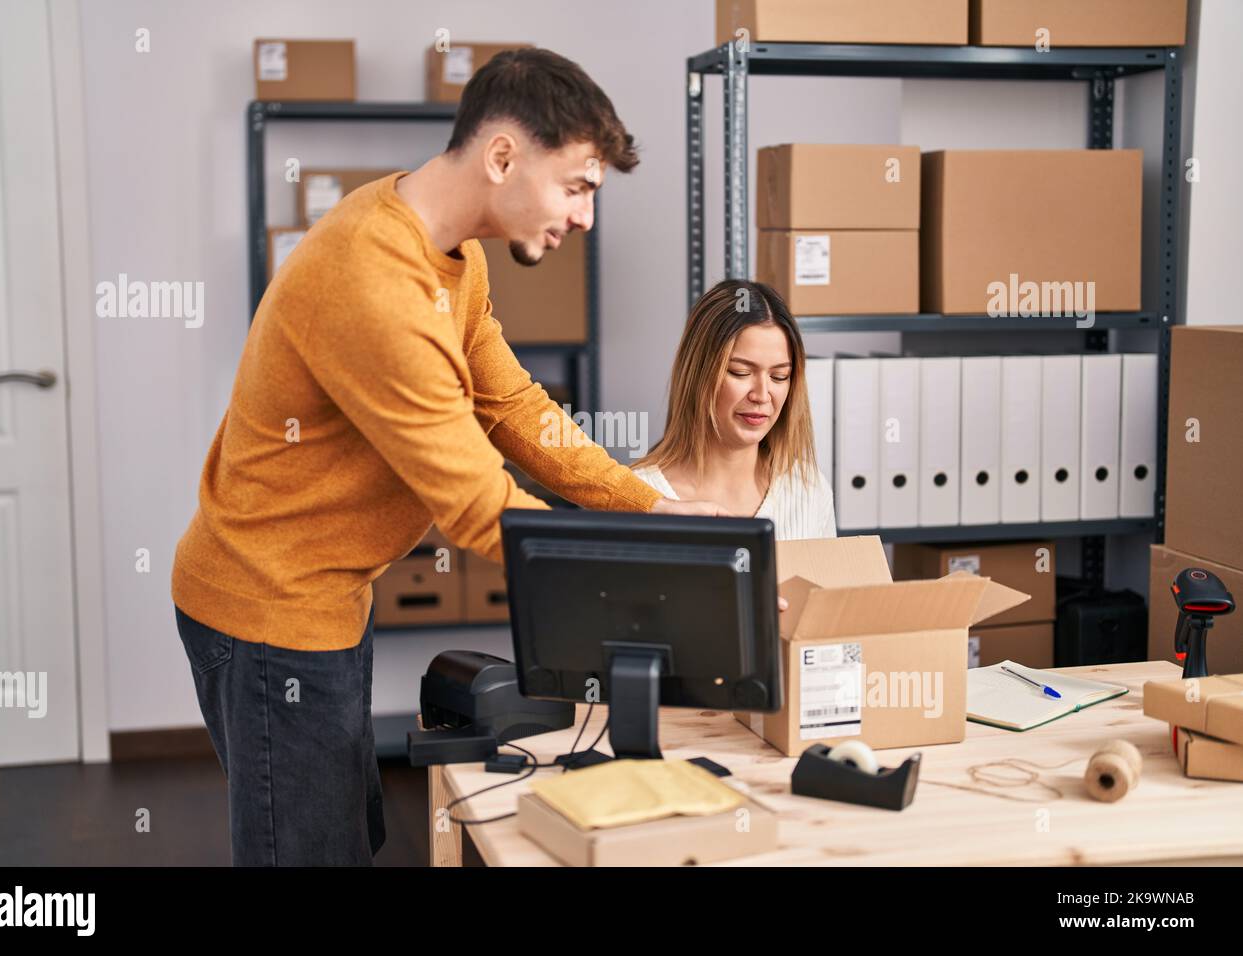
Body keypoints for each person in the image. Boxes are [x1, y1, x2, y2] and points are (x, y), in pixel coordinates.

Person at [169, 48, 724, 866]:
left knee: (345, 838)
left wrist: (654, 509)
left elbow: (515, 409)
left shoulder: (452, 255)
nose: (585, 218)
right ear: (503, 155)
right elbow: (474, 500)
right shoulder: (375, 276)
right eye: (577, 186)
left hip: (323, 594)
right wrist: (645, 570)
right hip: (268, 608)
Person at [634, 279, 837, 540]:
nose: (762, 396)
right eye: (740, 372)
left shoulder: (809, 489)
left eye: (779, 377)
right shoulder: (638, 496)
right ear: (699, 374)